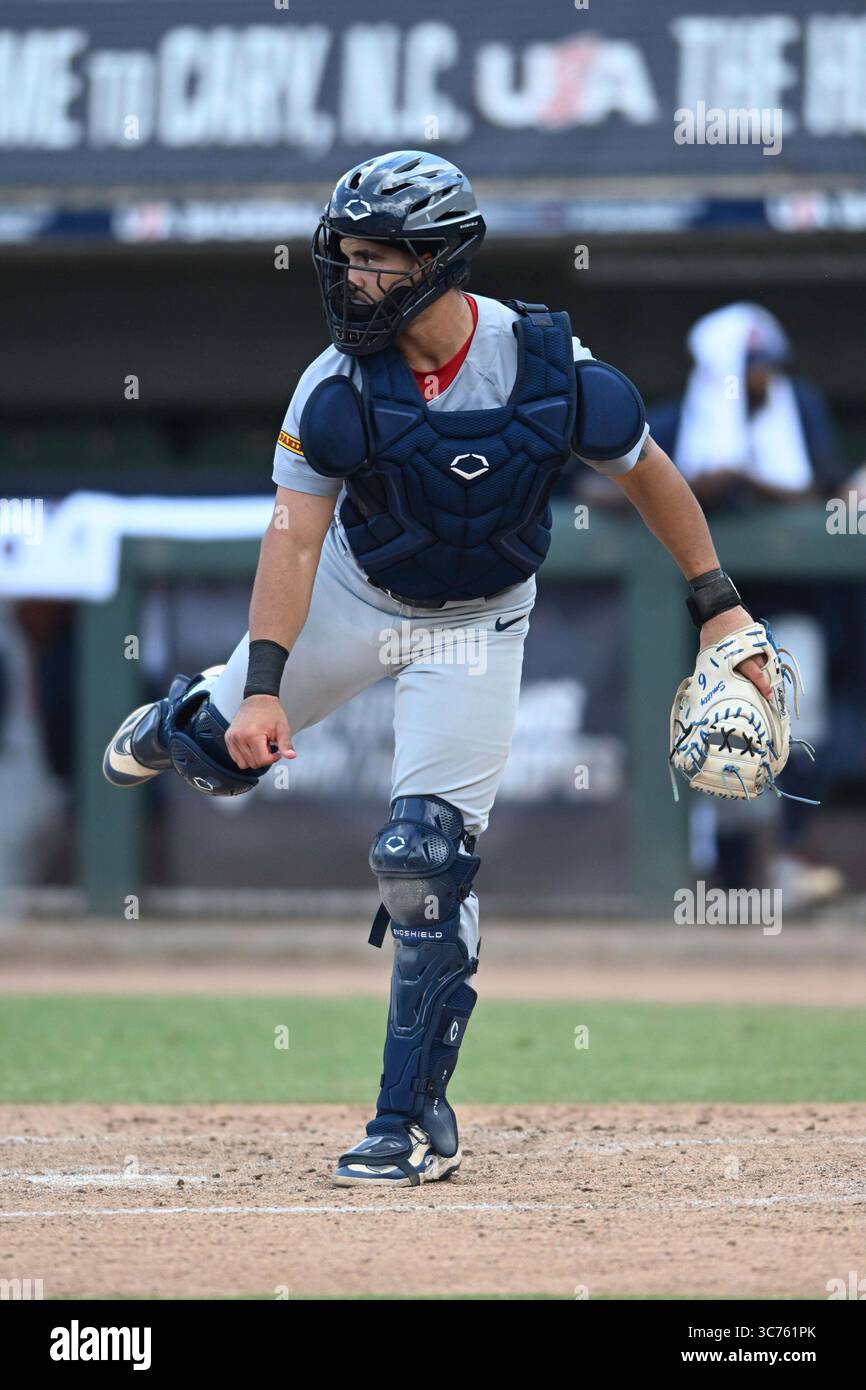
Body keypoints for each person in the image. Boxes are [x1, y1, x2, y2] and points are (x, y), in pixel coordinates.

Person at [103, 151, 769, 1187]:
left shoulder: (546, 365)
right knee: (219, 749)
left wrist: (716, 604)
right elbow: (289, 541)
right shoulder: (331, 386)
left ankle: (403, 1119)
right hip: (352, 599)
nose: (350, 277)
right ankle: (176, 720)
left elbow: (650, 475)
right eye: (346, 255)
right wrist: (267, 685)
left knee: (425, 860)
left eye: (374, 258)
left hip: (479, 621)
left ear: (438, 260)